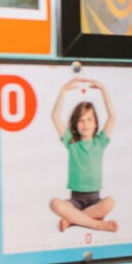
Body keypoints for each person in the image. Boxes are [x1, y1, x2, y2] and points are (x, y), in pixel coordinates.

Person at [48, 76, 119, 233]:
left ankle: (72, 219)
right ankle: (97, 224)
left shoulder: (100, 142)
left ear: (95, 124)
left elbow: (112, 116)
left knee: (109, 203)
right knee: (55, 203)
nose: (85, 124)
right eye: (80, 120)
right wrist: (63, 90)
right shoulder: (71, 142)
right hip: (75, 199)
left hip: (95, 199)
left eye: (89, 119)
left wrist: (103, 89)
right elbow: (55, 117)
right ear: (75, 125)